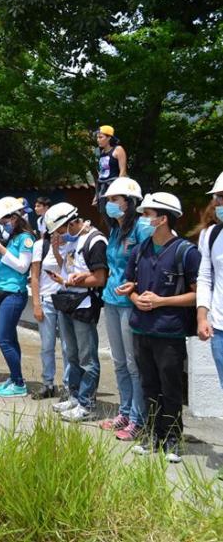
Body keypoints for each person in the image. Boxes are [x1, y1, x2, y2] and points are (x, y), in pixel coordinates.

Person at [116, 192, 200, 463]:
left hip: (169, 332)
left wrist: (162, 301)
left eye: (147, 214)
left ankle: (173, 438)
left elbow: (198, 294)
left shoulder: (186, 252)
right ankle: (152, 434)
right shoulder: (140, 249)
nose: (143, 219)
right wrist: (133, 297)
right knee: (149, 385)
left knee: (171, 387)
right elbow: (130, 284)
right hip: (141, 329)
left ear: (163, 219)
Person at [45, 202, 108, 421]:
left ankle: (87, 404)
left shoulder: (95, 240)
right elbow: (71, 269)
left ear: (71, 223)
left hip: (84, 305)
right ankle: (74, 396)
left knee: (86, 357)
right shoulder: (72, 241)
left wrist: (74, 282)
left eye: (60, 230)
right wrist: (63, 277)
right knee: (70, 353)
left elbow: (99, 278)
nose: (59, 235)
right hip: (68, 302)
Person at [98, 177, 149, 440]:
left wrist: (136, 287)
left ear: (129, 202)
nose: (110, 204)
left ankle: (139, 419)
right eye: (108, 199)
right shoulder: (115, 231)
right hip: (111, 300)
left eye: (115, 199)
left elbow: (151, 264)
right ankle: (125, 412)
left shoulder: (142, 228)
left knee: (133, 364)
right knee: (118, 362)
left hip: (130, 304)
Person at [0, 196, 35, 397]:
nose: (2, 225)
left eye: (5, 221)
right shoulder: (13, 238)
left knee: (3, 339)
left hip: (14, 293)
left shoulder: (26, 238)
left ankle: (19, 383)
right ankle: (15, 377)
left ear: (15, 218)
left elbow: (23, 267)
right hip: (2, 292)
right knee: (10, 339)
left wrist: (2, 250)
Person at [29, 212, 68, 399]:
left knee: (68, 347)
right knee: (47, 345)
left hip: (67, 300)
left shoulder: (71, 244)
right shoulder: (40, 245)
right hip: (47, 300)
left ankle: (69, 386)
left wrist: (57, 250)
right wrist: (36, 303)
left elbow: (67, 271)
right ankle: (48, 383)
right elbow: (35, 276)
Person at [197, 171, 223, 391]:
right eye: (219, 197)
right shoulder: (211, 235)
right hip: (220, 328)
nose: (220, 202)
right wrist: (202, 317)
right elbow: (204, 277)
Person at [93, 125, 128, 214]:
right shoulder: (101, 153)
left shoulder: (118, 150)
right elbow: (101, 174)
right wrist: (96, 195)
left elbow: (123, 171)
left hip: (114, 186)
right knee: (104, 212)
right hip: (103, 188)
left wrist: (116, 189)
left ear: (109, 138)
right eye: (97, 137)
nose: (98, 140)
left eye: (101, 137)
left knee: (116, 213)